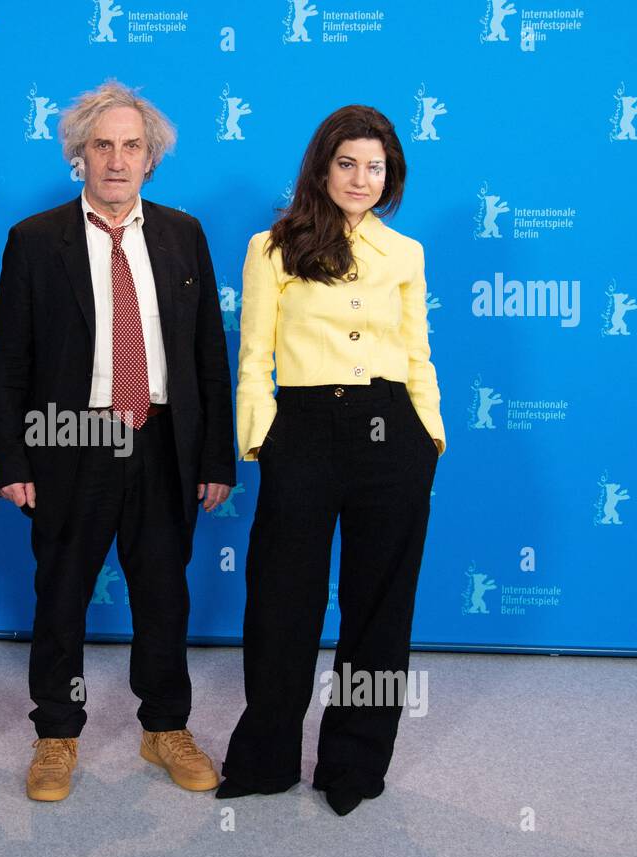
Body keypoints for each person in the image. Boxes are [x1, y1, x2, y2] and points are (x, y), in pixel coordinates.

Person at [0, 80, 237, 802]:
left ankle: (165, 726)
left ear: (151, 158)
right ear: (80, 155)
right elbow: (8, 362)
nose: (118, 159)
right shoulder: (34, 241)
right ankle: (57, 735)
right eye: (103, 145)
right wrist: (11, 457)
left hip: (163, 445)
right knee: (60, 593)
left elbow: (206, 359)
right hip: (72, 441)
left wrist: (215, 454)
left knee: (164, 593)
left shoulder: (183, 234)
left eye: (133, 146)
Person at [218, 104, 446, 816]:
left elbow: (417, 353)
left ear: (391, 176)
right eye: (347, 162)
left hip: (393, 433)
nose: (361, 177)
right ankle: (267, 754)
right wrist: (261, 439)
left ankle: (352, 762)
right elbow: (255, 354)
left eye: (375, 166)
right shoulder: (272, 247)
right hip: (305, 430)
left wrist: (430, 436)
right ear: (322, 167)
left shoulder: (404, 253)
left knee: (379, 607)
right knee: (284, 601)